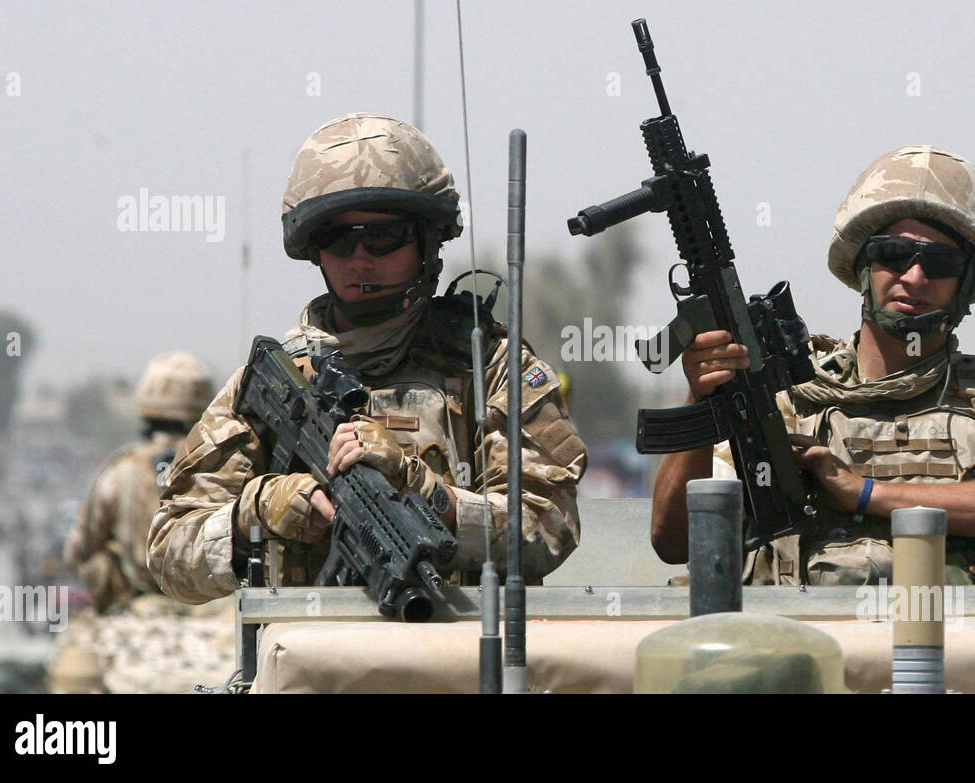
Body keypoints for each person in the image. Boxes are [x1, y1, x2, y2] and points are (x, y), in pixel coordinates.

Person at [148, 113, 586, 603]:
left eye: (384, 238)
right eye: (338, 240)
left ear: (427, 240)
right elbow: (169, 553)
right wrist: (262, 508)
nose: (360, 260)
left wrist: (429, 496)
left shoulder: (490, 367)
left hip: (462, 654)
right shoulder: (277, 382)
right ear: (314, 248)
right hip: (313, 664)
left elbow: (550, 527)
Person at [650, 145, 975, 585]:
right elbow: (675, 542)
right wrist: (705, 398)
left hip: (959, 650)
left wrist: (862, 493)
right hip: (794, 648)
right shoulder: (785, 399)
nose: (914, 277)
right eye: (894, 254)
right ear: (863, 265)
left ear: (967, 281)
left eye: (940, 263)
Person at [64, 352, 214, 612]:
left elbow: (78, 553)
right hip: (211, 607)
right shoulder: (218, 466)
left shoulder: (119, 472)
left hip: (137, 610)